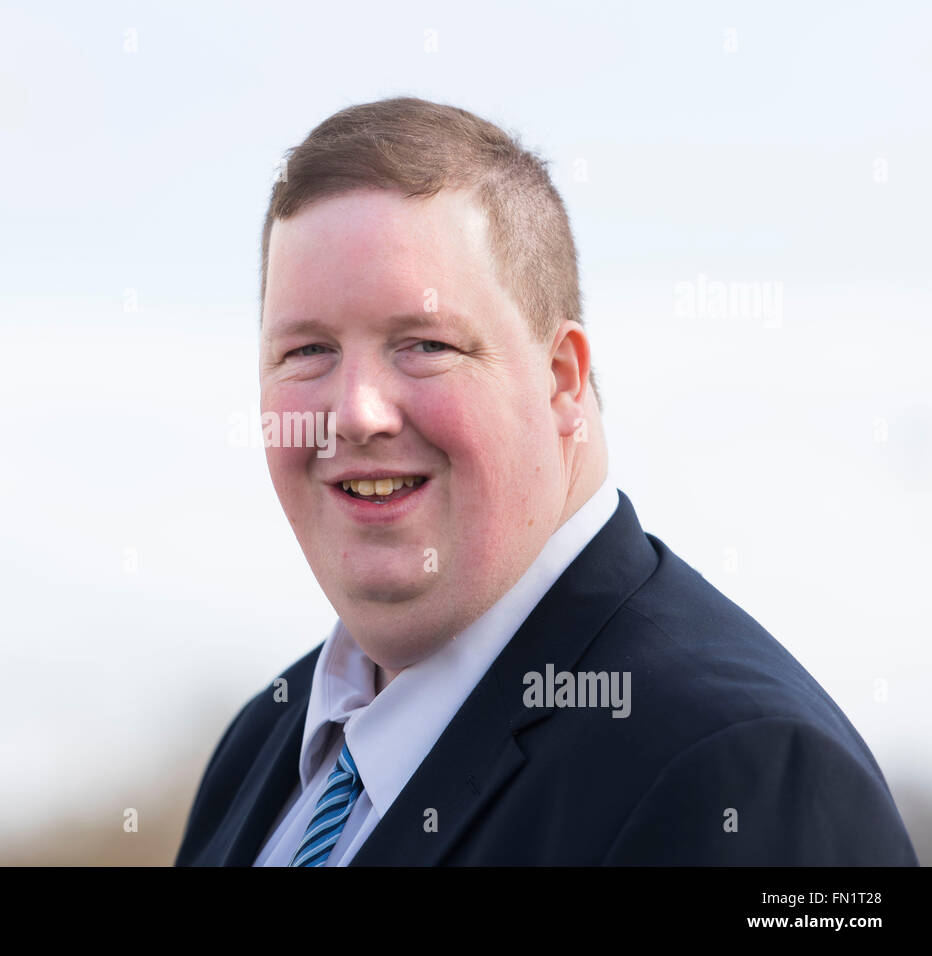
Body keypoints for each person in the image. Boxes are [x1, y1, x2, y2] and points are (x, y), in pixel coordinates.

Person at [175, 96, 918, 866]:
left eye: (425, 343)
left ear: (562, 381)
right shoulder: (259, 746)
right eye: (306, 352)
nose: (357, 413)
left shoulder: (745, 775)